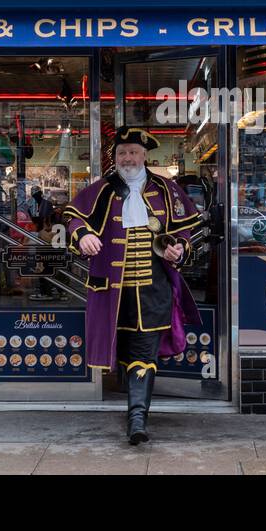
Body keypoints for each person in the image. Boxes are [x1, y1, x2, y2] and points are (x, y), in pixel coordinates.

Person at [64, 126, 202, 444]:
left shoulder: (167, 190)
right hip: (113, 292)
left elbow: (184, 235)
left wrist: (178, 249)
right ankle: (133, 408)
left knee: (144, 352)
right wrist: (82, 235)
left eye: (133, 152)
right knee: (124, 351)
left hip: (154, 292)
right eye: (122, 152)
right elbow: (73, 218)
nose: (128, 158)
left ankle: (137, 418)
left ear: (144, 156)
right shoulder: (101, 190)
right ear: (116, 157)